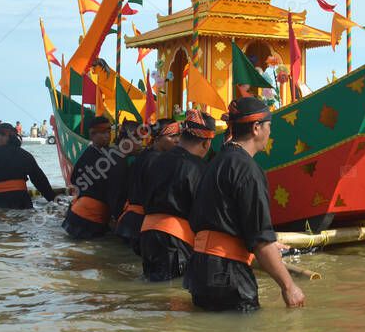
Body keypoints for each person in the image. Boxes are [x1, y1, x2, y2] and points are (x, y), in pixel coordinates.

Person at [185, 97, 305, 311]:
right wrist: (289, 286)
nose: (270, 132)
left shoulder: (215, 162)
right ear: (256, 128)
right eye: (269, 126)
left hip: (199, 269)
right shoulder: (247, 169)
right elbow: (261, 243)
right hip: (227, 272)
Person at [140, 110, 216, 281]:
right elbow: (204, 215)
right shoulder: (199, 169)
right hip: (174, 241)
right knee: (171, 298)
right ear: (206, 144)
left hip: (146, 236)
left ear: (181, 137)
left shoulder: (155, 161)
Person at [116, 118, 181, 254]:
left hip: (129, 221)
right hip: (139, 224)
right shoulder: (158, 161)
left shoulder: (145, 156)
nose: (177, 140)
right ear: (157, 138)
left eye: (179, 135)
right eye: (172, 136)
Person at [0, 122, 57, 209]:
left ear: (7, 137)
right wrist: (52, 198)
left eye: (0, 135)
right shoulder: (24, 154)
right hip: (21, 200)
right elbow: (39, 179)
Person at [62, 116, 114, 238]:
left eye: (108, 132)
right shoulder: (93, 157)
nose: (107, 136)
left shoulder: (99, 153)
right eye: (103, 133)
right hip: (86, 218)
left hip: (79, 212)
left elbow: (74, 179)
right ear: (92, 135)